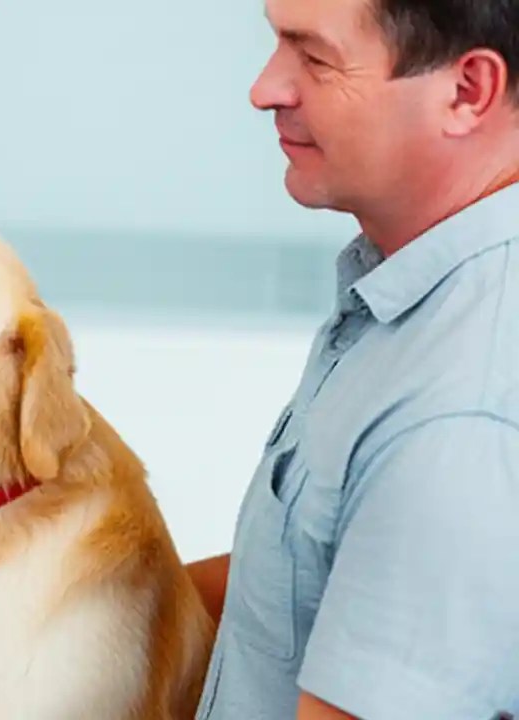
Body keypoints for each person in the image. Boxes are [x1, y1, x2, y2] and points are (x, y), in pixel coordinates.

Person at [186, 0, 519, 718]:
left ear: (467, 92)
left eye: (314, 57)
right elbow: (311, 581)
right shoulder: (411, 293)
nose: (265, 88)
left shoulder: (460, 407)